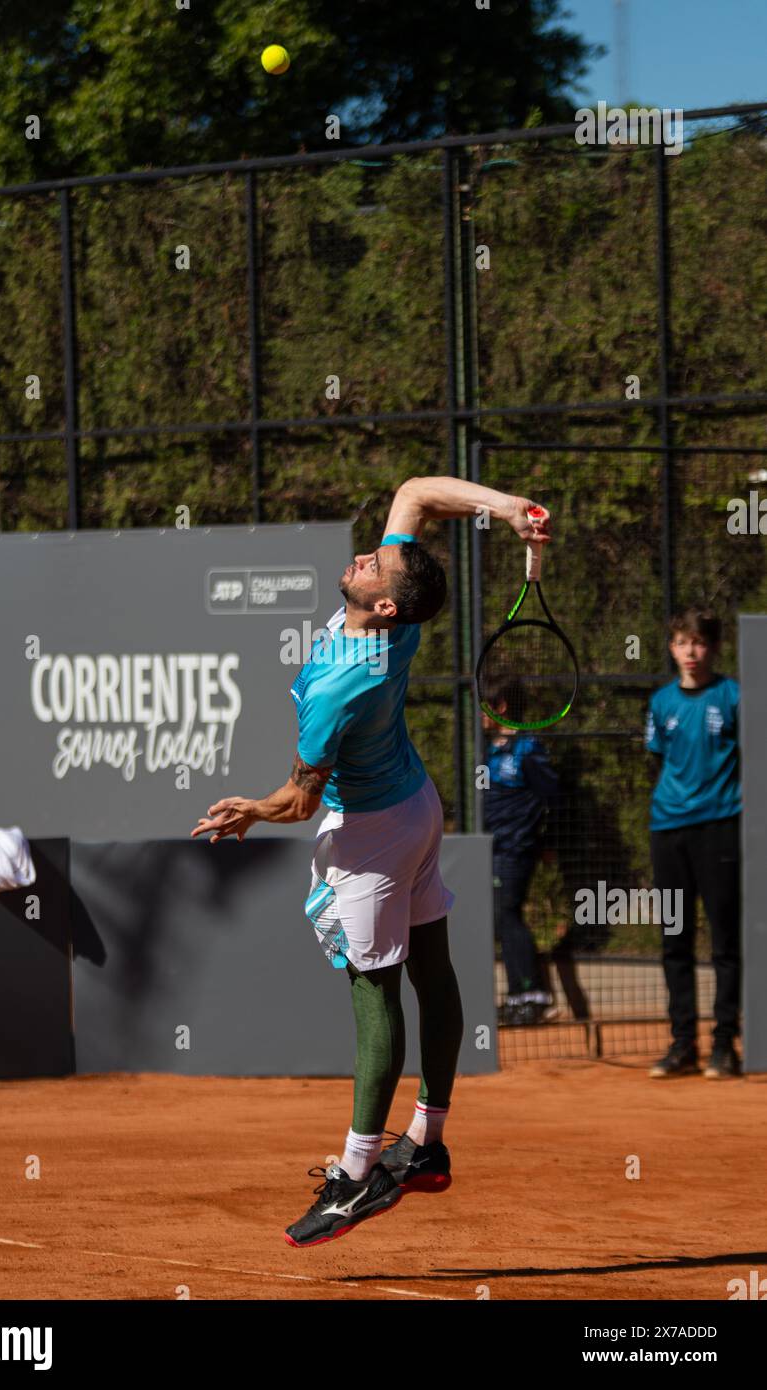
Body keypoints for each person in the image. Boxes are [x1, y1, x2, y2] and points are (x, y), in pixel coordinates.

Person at [192, 476, 551, 1245]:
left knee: (373, 996)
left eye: (373, 567)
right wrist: (509, 509)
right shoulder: (395, 617)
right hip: (417, 808)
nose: (363, 556)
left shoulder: (338, 686)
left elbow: (299, 800)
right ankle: (427, 1141)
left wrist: (249, 809)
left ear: (384, 604)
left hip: (374, 839)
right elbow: (416, 493)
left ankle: (355, 1179)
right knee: (433, 970)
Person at [645, 608, 742, 1080]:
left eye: (700, 642)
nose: (690, 652)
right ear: (671, 647)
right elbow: (659, 760)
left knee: (724, 939)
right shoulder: (661, 702)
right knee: (674, 941)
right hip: (667, 830)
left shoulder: (734, 696)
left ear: (714, 648)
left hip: (720, 827)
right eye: (682, 642)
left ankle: (725, 1045)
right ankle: (682, 1044)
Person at [481, 674, 559, 1026]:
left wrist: (546, 840)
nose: (479, 714)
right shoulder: (484, 749)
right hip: (489, 848)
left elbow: (551, 796)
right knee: (501, 917)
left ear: (501, 707)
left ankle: (533, 995)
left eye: (484, 706)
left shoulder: (528, 748)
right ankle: (516, 996)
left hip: (516, 848)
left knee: (506, 914)